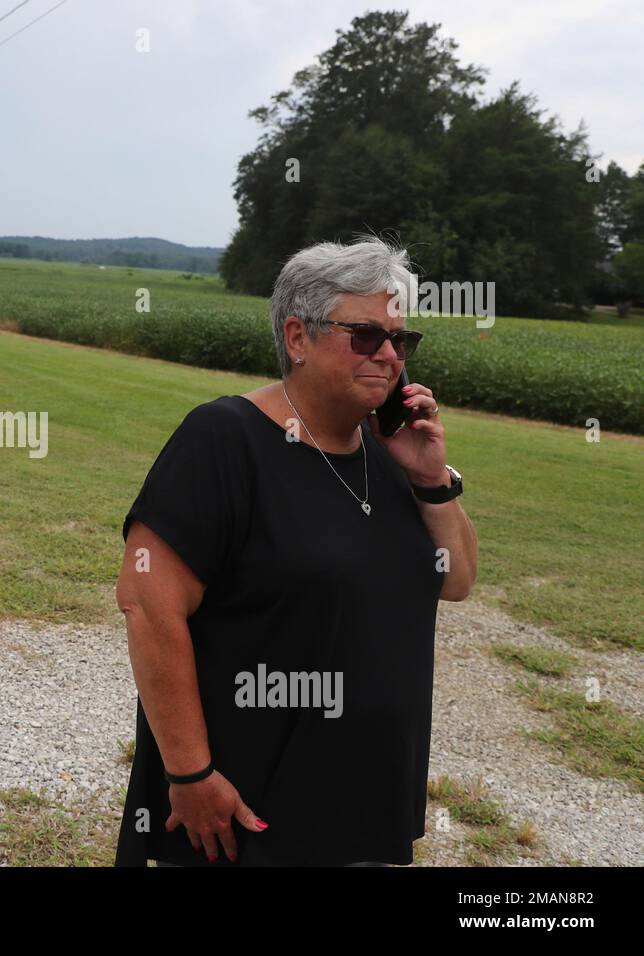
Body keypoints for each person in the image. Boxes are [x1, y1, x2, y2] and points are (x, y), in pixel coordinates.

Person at [114, 236, 478, 867]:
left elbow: (457, 579)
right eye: (366, 335)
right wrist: (190, 774)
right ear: (297, 337)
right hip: (248, 810)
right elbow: (148, 607)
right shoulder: (224, 440)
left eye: (402, 340)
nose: (390, 356)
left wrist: (431, 479)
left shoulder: (390, 452)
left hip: (368, 801)